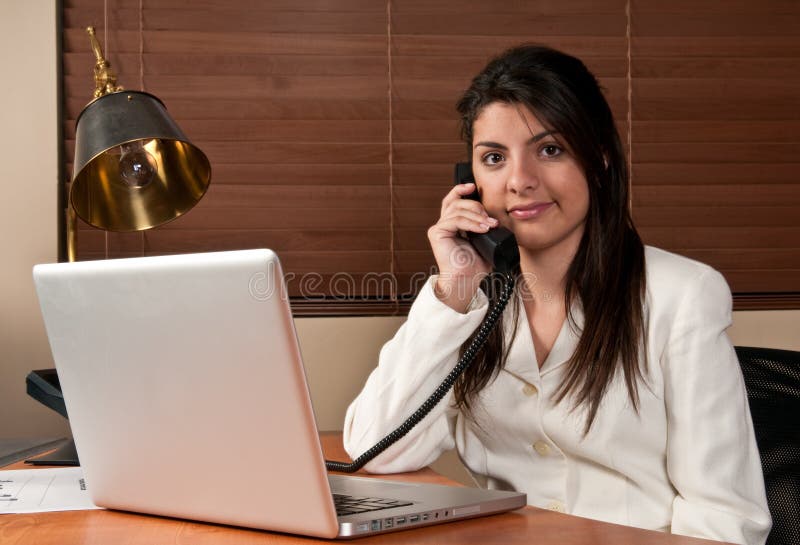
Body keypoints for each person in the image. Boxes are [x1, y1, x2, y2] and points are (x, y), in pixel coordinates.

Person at [342, 44, 771, 545]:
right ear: (470, 182)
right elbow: (376, 450)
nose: (520, 181)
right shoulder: (471, 299)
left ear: (599, 161)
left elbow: (725, 517)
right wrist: (454, 289)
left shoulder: (682, 296)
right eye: (494, 158)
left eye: (550, 150)